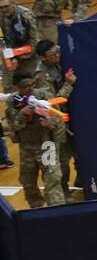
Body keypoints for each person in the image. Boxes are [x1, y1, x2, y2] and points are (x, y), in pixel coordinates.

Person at [4, 71, 67, 208]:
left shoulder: (44, 95)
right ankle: (36, 210)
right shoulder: (12, 101)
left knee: (53, 180)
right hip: (27, 147)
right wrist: (22, 114)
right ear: (17, 88)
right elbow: (12, 127)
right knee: (28, 183)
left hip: (46, 145)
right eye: (25, 86)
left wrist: (51, 124)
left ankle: (57, 211)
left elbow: (58, 119)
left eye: (32, 84)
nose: (30, 88)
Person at [33, 39, 75, 196]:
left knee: (76, 152)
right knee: (62, 158)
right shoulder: (42, 76)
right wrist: (69, 84)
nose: (58, 55)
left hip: (67, 115)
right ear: (43, 57)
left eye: (57, 51)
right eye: (53, 54)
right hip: (54, 121)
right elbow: (52, 103)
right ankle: (63, 191)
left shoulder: (56, 62)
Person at [0, 0, 41, 93]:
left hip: (29, 56)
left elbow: (35, 42)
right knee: (8, 85)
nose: (4, 9)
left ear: (13, 3)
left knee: (32, 85)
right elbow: (3, 39)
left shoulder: (26, 15)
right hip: (10, 54)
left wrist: (19, 57)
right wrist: (10, 57)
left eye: (6, 6)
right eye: (1, 7)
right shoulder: (1, 15)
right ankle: (12, 107)